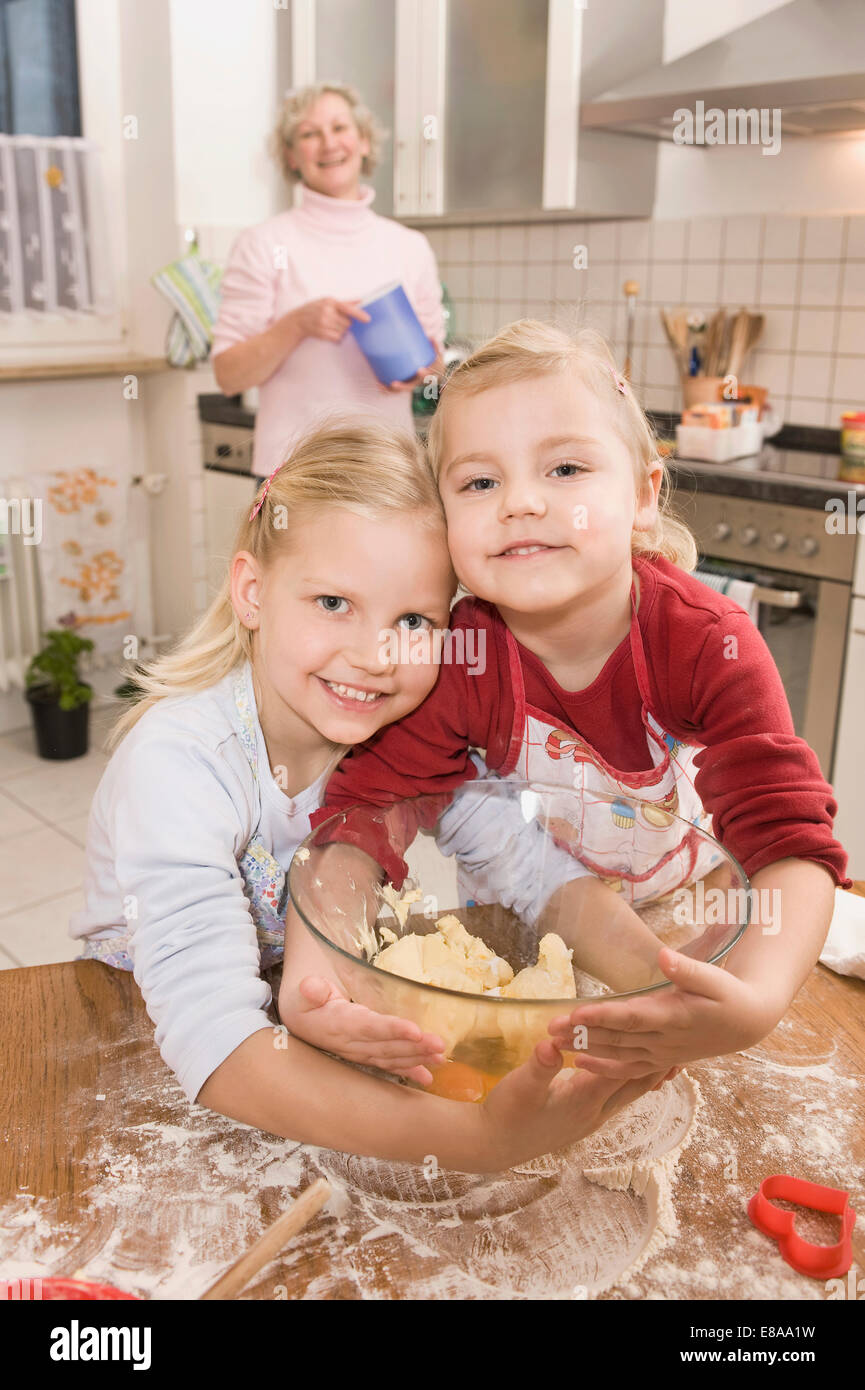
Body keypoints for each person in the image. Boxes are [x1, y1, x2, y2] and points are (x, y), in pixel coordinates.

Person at [68, 418, 674, 1172]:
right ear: (252, 592)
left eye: (413, 620)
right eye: (331, 603)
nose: (373, 656)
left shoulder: (409, 736)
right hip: (136, 1035)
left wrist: (662, 988)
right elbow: (212, 1039)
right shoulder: (181, 763)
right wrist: (476, 1142)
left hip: (306, 1009)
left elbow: (533, 870)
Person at [302, 320, 850, 1081]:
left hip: (679, 926)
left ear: (642, 497)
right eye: (479, 482)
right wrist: (318, 970)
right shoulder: (464, 654)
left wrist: (755, 996)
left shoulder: (702, 643)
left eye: (563, 468)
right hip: (515, 939)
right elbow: (363, 810)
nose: (520, 502)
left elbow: (786, 842)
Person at [211, 83, 445, 483]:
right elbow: (229, 375)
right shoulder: (262, 244)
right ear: (291, 155)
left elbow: (434, 364)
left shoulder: (410, 246)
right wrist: (297, 324)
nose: (328, 143)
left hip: (387, 471)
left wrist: (418, 372)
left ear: (364, 141)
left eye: (340, 128)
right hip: (294, 475)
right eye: (309, 134)